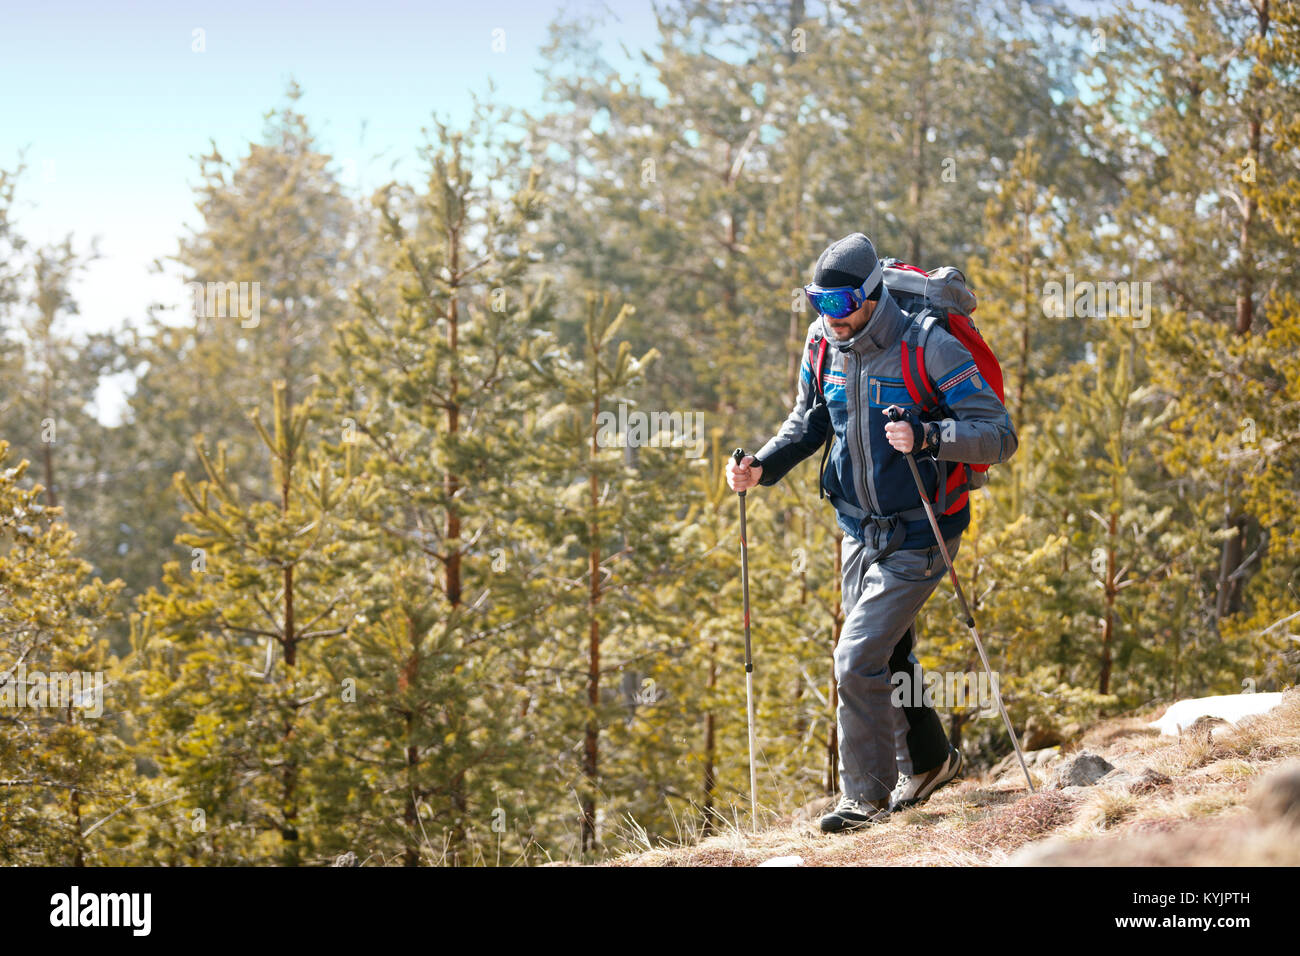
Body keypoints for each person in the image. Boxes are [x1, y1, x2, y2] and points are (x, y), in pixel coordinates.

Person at [726, 233, 1018, 833]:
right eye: (816, 303)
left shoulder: (926, 344)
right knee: (891, 652)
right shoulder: (821, 344)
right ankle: (932, 762)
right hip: (856, 527)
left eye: (837, 305)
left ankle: (864, 801)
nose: (826, 318)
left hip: (923, 530)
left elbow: (998, 434)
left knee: (856, 657)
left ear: (868, 295)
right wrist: (762, 465)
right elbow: (810, 419)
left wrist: (932, 436)